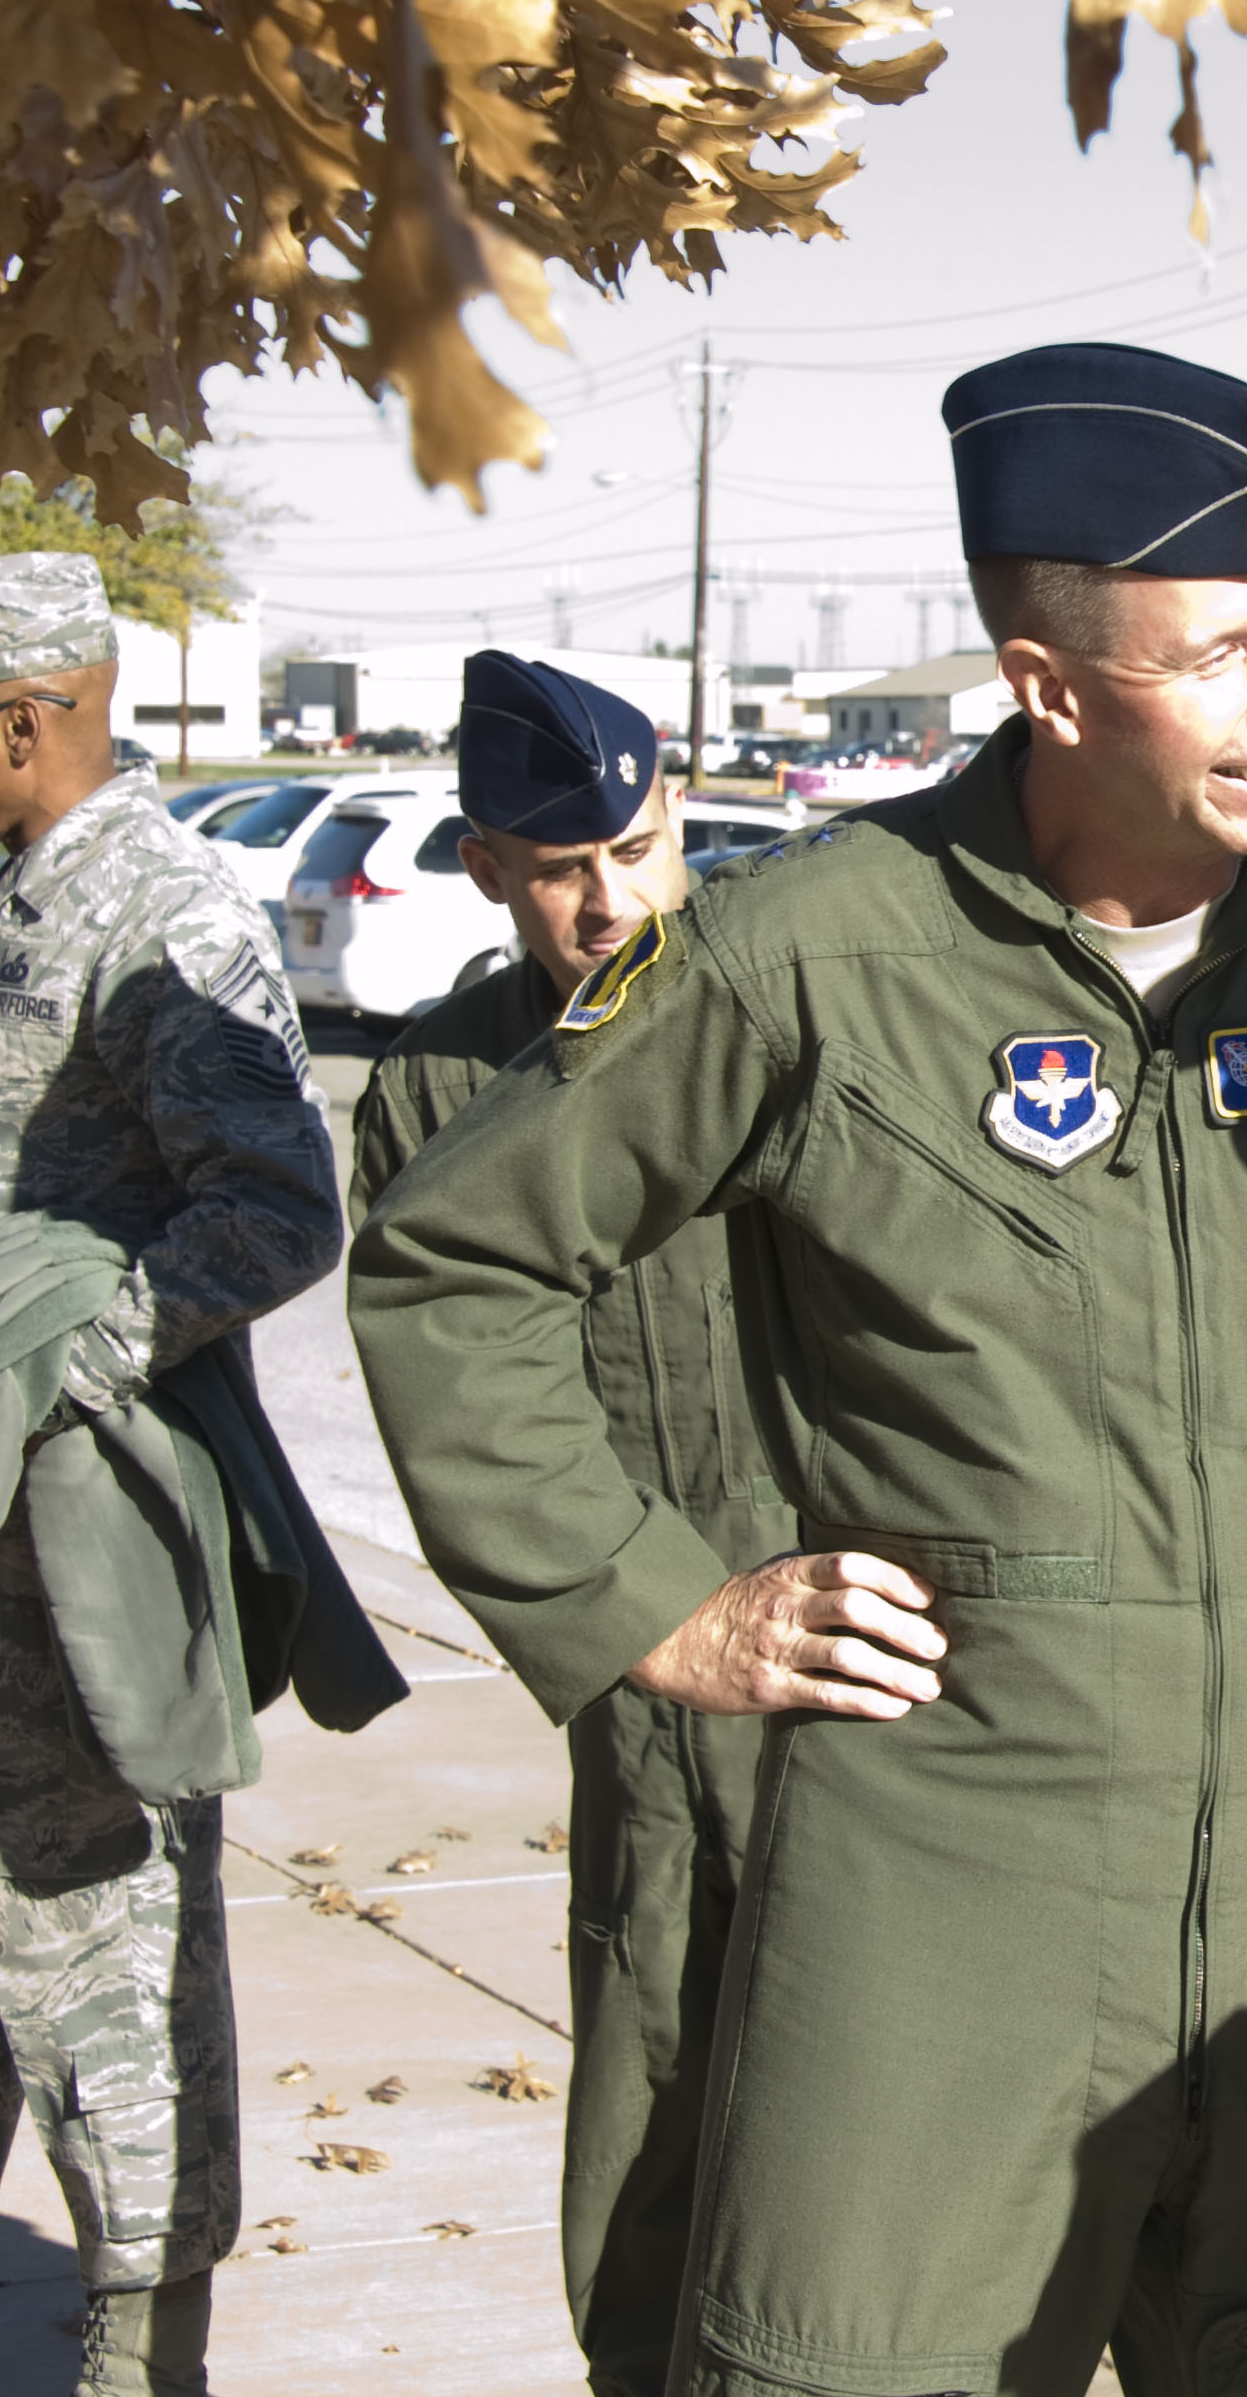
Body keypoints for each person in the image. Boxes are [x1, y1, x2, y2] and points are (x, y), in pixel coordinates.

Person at [348, 341, 1247, 2397]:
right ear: (1050, 686)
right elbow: (459, 1269)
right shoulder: (810, 952)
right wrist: (655, 1607)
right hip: (946, 1869)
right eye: (1221, 652)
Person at [0, 551, 350, 2397]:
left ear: (31, 718)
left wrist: (50, 1381)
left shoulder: (166, 909)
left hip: (88, 1526)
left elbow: (275, 1209)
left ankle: (137, 2345)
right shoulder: (20, 890)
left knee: (90, 1930)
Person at [344, 653, 782, 2397]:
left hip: (871, 1633)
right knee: (659, 2082)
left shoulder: (784, 1006)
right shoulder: (449, 1087)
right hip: (654, 1662)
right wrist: (626, 1614)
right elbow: (454, 1388)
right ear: (485, 868)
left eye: (645, 847)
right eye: (561, 868)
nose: (613, 898)